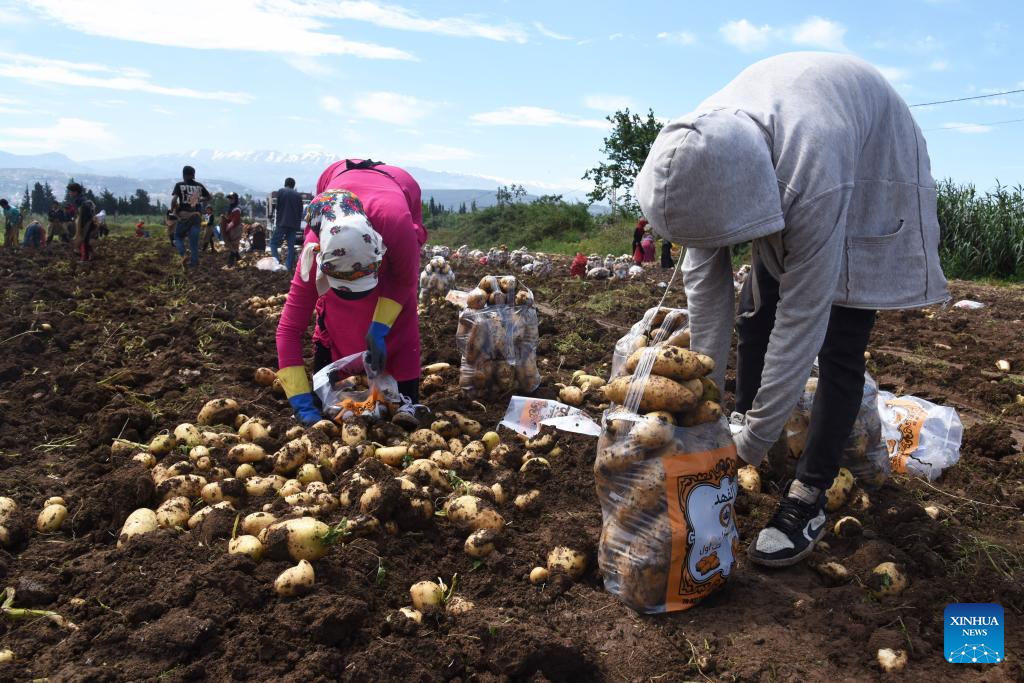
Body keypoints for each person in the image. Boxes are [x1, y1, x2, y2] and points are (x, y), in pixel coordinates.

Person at [637, 52, 949, 568]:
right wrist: (705, 411)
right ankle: (749, 426)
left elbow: (805, 316)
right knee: (754, 315)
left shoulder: (813, 172)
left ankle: (810, 493)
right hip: (791, 145)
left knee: (840, 342)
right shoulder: (696, 150)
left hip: (870, 156)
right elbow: (705, 283)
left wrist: (749, 445)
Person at [276, 159, 427, 429]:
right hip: (336, 177)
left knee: (399, 312)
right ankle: (341, 365)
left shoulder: (396, 226)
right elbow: (288, 330)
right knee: (334, 312)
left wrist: (380, 328)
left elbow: (404, 282)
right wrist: (301, 403)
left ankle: (403, 394)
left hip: (397, 190)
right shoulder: (313, 254)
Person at [170, 165, 211, 267]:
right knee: (194, 242)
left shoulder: (179, 185)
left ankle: (183, 254)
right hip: (196, 216)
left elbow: (174, 200)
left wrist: (172, 209)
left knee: (177, 236)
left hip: (184, 216)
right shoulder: (199, 186)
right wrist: (199, 200)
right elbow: (209, 197)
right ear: (193, 175)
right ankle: (194, 262)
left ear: (183, 175)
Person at [271, 177, 303, 270]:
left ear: (285, 184)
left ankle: (276, 264)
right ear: (294, 185)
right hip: (293, 225)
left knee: (273, 243)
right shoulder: (298, 196)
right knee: (290, 246)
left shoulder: (281, 191)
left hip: (282, 222)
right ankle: (288, 267)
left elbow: (277, 207)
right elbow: (300, 211)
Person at [66, 182, 95, 261]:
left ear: (75, 192)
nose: (69, 193)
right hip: (88, 221)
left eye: (70, 191)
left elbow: (82, 214)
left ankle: (84, 258)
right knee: (85, 240)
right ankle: (90, 254)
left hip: (86, 222)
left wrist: (81, 225)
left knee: (84, 240)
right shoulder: (82, 199)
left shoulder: (80, 201)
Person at [221, 192, 242, 266]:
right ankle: (239, 259)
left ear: (235, 199)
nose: (230, 200)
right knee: (233, 245)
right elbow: (230, 219)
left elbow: (235, 221)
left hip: (235, 228)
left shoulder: (236, 209)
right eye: (229, 198)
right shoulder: (230, 208)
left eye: (231, 198)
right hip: (231, 228)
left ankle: (230, 263)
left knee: (233, 244)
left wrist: (227, 227)